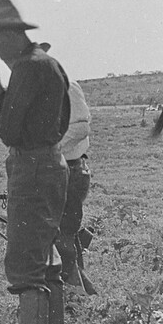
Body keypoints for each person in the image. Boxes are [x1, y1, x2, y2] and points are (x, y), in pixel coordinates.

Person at [0, 0, 71, 324]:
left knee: (26, 265)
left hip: (31, 169)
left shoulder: (28, 71)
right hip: (52, 165)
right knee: (48, 266)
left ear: (13, 36)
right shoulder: (48, 65)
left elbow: (9, 131)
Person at [53, 71, 96, 296]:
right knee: (56, 232)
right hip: (46, 170)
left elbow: (81, 128)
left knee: (63, 234)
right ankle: (74, 288)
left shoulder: (67, 86)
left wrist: (50, 148)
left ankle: (75, 292)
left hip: (70, 169)